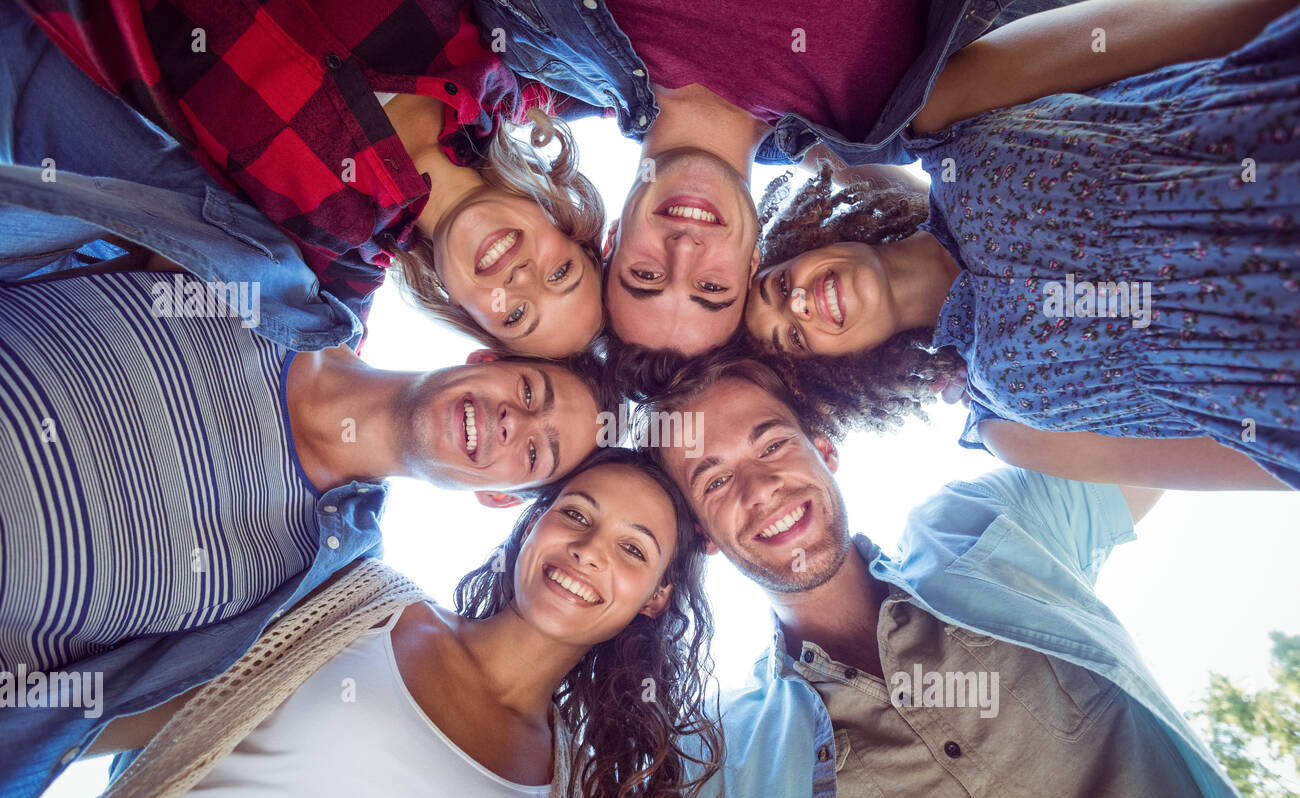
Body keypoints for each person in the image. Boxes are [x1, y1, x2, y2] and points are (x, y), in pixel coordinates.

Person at [643, 355, 1287, 798]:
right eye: (716, 480)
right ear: (702, 534)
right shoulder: (722, 756)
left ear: (825, 450)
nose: (760, 489)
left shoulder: (986, 523)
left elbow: (1183, 415)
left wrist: (982, 372)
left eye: (773, 445)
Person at [5, 449, 722, 798]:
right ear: (532, 525)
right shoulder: (358, 600)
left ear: (655, 599)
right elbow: (113, 708)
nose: (589, 550)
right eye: (576, 513)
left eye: (633, 549)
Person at [743, 0, 1300, 490]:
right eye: (793, 337)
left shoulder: (947, 117)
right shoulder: (1008, 429)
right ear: (838, 375)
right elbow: (1245, 455)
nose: (799, 303)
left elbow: (1174, 26)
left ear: (804, 242)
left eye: (780, 285)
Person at [467, 0, 1081, 371]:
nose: (684, 250)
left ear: (611, 240)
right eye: (712, 287)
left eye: (646, 275)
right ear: (754, 262)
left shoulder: (530, 36)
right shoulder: (893, 120)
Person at [16, 0, 607, 358]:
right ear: (565, 220)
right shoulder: (510, 68)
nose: (524, 280)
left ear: (466, 313)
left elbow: (313, 378)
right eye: (562, 273)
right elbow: (646, 88)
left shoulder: (332, 269)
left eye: (515, 316)